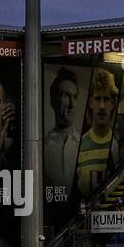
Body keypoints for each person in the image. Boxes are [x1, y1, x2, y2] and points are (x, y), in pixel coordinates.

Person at [76, 69, 119, 199]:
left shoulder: (118, 144)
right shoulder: (79, 145)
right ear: (90, 103)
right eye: (97, 99)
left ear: (112, 104)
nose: (101, 106)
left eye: (106, 99)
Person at [45, 68, 82, 196]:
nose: (72, 104)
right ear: (53, 101)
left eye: (75, 97)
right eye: (66, 95)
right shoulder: (41, 147)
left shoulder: (85, 146)